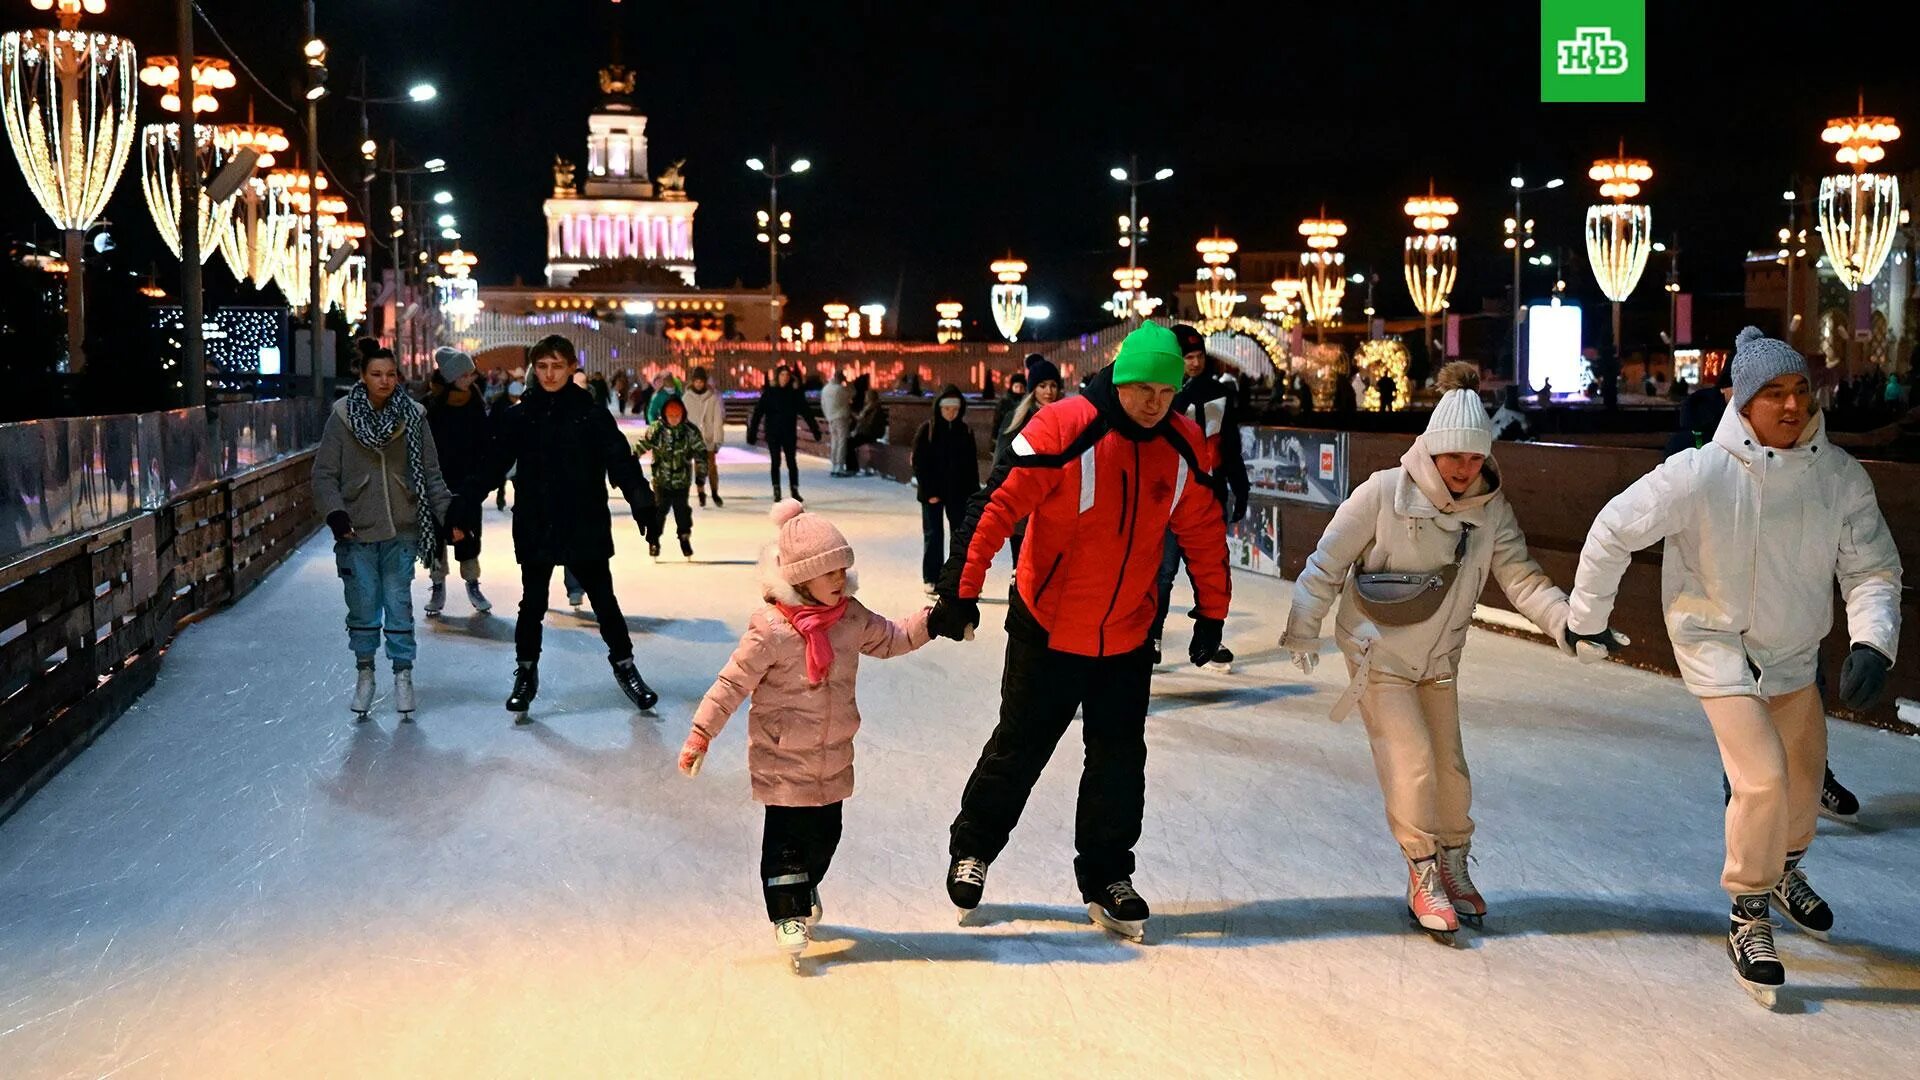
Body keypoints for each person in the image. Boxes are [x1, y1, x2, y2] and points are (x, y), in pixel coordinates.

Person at [1567, 327, 1902, 1007]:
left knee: (1804, 790)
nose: (1789, 405)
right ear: (1742, 403)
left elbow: (1871, 568)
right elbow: (1613, 528)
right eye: (1772, 393)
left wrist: (1874, 641)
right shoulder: (1699, 473)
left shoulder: (1837, 476)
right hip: (1716, 644)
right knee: (1763, 780)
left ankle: (1783, 871)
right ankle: (1748, 912)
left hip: (1793, 652)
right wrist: (1586, 615)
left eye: (1799, 391)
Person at [929, 321, 1231, 942]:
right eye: (1142, 387)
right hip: (1047, 623)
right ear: (1120, 378)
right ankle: (974, 848)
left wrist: (1212, 611)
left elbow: (1202, 528)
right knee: (1020, 746)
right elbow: (995, 505)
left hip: (1126, 634)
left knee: (1119, 762)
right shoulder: (1065, 427)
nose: (1153, 402)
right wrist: (961, 590)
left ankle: (1107, 875)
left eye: (1165, 392)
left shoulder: (1182, 443)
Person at [1282, 361, 1572, 944]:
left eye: (1475, 458)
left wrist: (1569, 623)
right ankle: (1421, 871)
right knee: (1412, 761)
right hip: (1377, 655)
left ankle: (1452, 862)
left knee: (1450, 768)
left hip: (1439, 661)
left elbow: (1523, 579)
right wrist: (1303, 629)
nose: (1466, 469)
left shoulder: (1490, 510)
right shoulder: (1384, 493)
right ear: (1431, 451)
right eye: (1454, 457)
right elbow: (1325, 564)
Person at [676, 501, 933, 968]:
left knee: (825, 837)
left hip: (833, 755)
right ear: (799, 577)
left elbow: (893, 637)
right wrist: (701, 735)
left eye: (842, 569)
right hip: (782, 757)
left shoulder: (851, 619)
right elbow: (731, 684)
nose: (839, 579)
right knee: (785, 843)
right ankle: (787, 911)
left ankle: (804, 883)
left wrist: (932, 622)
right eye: (827, 571)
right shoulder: (771, 631)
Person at [468, 334, 660, 722]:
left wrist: (643, 503)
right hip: (537, 521)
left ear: (573, 367)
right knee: (532, 602)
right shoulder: (519, 417)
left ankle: (626, 668)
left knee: (604, 601)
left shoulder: (591, 414)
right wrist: (463, 505)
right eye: (542, 366)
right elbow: (491, 465)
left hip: (583, 519)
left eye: (557, 366)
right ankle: (525, 673)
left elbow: (621, 462)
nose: (550, 373)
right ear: (533, 371)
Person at [311, 348, 457, 723]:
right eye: (377, 374)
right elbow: (324, 474)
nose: (385, 381)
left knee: (397, 600)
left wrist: (450, 516)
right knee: (362, 603)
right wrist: (336, 513)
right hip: (356, 529)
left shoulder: (413, 416)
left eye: (391, 374)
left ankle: (403, 673)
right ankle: (365, 672)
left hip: (402, 525)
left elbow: (431, 472)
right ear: (363, 375)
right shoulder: (342, 418)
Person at [1150, 325, 1248, 670]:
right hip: (1170, 500)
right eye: (1188, 357)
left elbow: (1230, 444)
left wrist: (1240, 485)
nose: (1195, 363)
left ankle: (1211, 635)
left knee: (1208, 570)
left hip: (1210, 496)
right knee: (1163, 572)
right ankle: (1153, 635)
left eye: (1199, 356)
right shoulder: (1162, 395)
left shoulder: (1220, 393)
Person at [423, 346, 492, 617]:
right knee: (436, 535)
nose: (471, 379)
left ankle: (472, 583)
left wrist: (482, 476)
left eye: (471, 374)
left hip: (468, 482)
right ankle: (437, 584)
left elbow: (484, 441)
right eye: (465, 375)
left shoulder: (475, 402)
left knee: (468, 532)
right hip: (437, 480)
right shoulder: (431, 406)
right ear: (452, 377)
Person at [993, 356, 1063, 572]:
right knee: (1021, 569)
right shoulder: (1018, 418)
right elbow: (1002, 462)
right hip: (1025, 504)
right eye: (1042, 386)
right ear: (1033, 389)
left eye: (1053, 385)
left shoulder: (1067, 416)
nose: (1048, 391)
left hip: (1057, 505)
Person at [911, 385, 980, 595]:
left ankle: (958, 577)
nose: (951, 413)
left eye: (955, 409)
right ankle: (932, 576)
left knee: (960, 536)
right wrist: (928, 491)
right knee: (933, 534)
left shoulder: (965, 431)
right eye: (947, 409)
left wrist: (974, 494)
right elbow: (919, 463)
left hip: (958, 493)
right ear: (939, 408)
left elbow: (971, 467)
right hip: (932, 493)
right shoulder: (928, 430)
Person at [633, 391, 706, 560]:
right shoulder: (657, 430)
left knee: (682, 512)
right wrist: (629, 460)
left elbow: (700, 455)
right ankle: (654, 540)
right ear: (665, 414)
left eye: (677, 415)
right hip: (661, 480)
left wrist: (700, 479)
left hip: (681, 481)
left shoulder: (689, 431)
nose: (674, 419)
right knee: (658, 511)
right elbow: (642, 444)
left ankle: (684, 537)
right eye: (670, 415)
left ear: (682, 415)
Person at [747, 365, 820, 502]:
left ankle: (794, 489)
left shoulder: (794, 394)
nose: (784, 378)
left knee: (791, 461)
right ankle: (776, 489)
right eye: (782, 375)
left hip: (788, 432)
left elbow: (806, 411)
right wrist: (753, 432)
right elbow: (758, 413)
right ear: (777, 377)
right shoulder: (769, 393)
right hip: (773, 432)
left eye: (787, 375)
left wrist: (815, 429)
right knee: (776, 461)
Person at [682, 365, 725, 507]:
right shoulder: (687, 398)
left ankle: (714, 492)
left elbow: (718, 419)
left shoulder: (712, 398)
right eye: (697, 381)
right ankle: (701, 492)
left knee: (712, 467)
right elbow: (683, 420)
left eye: (701, 381)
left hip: (708, 437)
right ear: (693, 382)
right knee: (699, 467)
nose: (699, 384)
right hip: (693, 438)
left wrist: (718, 439)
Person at [844, 376, 887, 476]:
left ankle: (852, 468)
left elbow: (868, 423)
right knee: (849, 442)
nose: (865, 398)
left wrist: (858, 428)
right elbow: (861, 420)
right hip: (866, 432)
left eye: (867, 396)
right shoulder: (869, 408)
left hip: (870, 434)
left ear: (871, 397)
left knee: (849, 444)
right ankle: (852, 467)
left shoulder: (874, 409)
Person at [990, 364, 1032, 446]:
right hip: (1007, 438)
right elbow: (997, 422)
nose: (1019, 390)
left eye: (1021, 387)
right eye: (1016, 387)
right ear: (1011, 387)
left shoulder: (1027, 403)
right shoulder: (1004, 402)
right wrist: (995, 441)